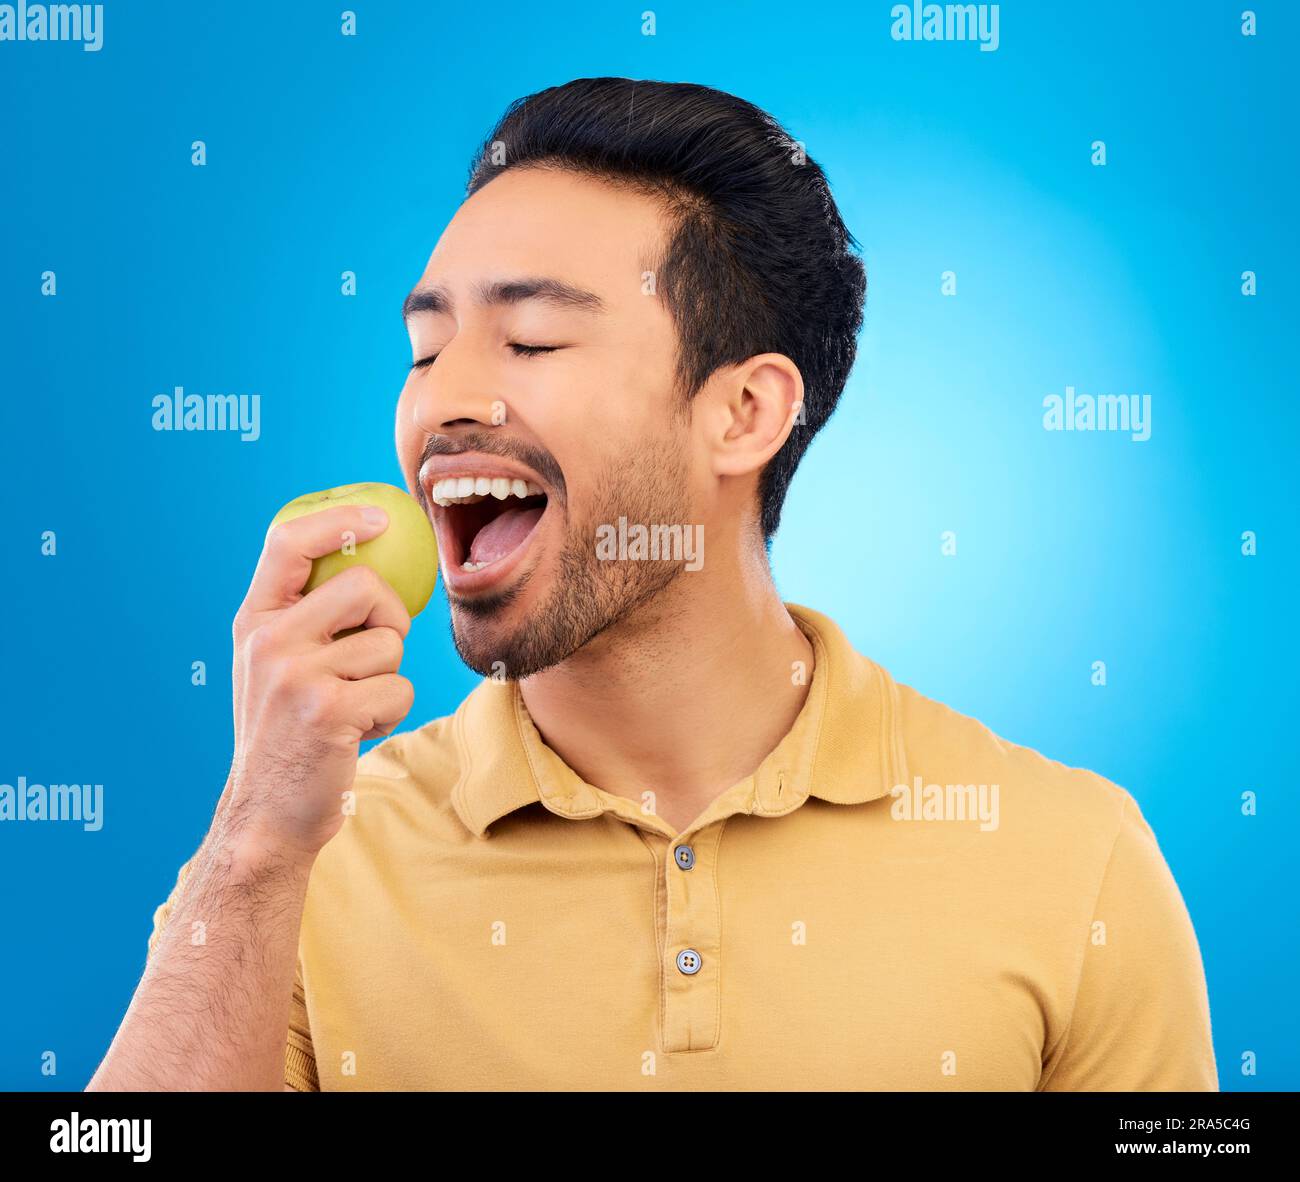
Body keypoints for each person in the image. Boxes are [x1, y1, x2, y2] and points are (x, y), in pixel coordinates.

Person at [88, 77, 1216, 1091]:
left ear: (743, 414)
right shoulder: (298, 864)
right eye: (426, 351)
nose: (442, 404)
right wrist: (252, 845)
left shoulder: (1071, 859)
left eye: (529, 339)